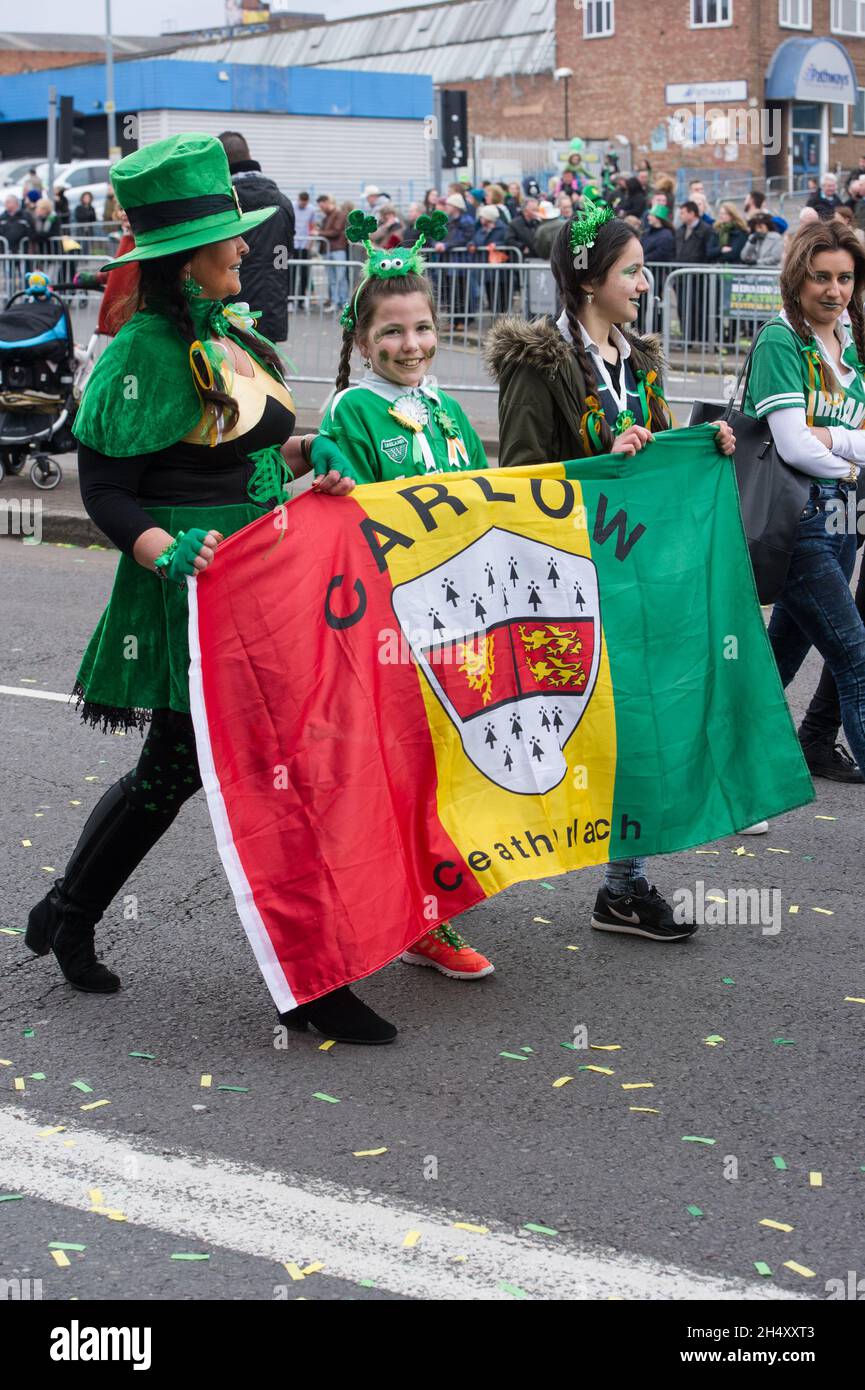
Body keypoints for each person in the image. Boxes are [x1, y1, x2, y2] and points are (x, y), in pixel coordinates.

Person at [24, 133, 395, 1046]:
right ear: (188, 255)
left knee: (176, 772)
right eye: (231, 238)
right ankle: (310, 977)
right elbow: (106, 489)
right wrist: (168, 551)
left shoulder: (227, 331)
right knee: (261, 773)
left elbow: (247, 448)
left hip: (268, 580)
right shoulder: (142, 352)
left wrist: (310, 458)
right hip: (199, 596)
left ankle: (70, 909)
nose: (248, 249)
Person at [484, 207, 737, 940]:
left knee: (637, 724)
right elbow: (521, 477)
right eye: (631, 271)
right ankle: (480, 871)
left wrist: (697, 442)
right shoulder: (541, 364)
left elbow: (651, 451)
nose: (645, 282)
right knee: (579, 729)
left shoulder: (640, 359)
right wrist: (603, 460)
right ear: (588, 281)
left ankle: (622, 886)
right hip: (568, 575)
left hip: (638, 573)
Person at [316, 207, 495, 981]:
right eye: (390, 333)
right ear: (361, 343)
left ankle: (430, 902)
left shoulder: (450, 410)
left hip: (456, 618)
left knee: (448, 769)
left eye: (421, 328)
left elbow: (491, 497)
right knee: (403, 775)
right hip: (390, 629)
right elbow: (345, 514)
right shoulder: (354, 412)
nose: (410, 345)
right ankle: (417, 917)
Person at [743, 218, 865, 784]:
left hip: (844, 516)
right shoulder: (780, 339)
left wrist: (833, 444)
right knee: (856, 657)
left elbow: (821, 442)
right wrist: (852, 456)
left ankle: (727, 761)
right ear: (798, 279)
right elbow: (792, 444)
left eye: (844, 278)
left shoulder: (853, 339)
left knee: (779, 657)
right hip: (798, 518)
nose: (834, 291)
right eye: (821, 277)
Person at [218, 131, 295, 343]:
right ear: (249, 154)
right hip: (272, 306)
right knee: (268, 373)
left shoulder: (222, 203)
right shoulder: (283, 202)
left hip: (230, 307)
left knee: (233, 373)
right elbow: (286, 253)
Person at [674, 200, 710, 345]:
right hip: (681, 277)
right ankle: (686, 338)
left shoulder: (706, 229)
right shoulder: (680, 230)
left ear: (692, 213)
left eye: (683, 213)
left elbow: (707, 252)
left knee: (698, 308)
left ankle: (700, 338)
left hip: (698, 278)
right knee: (682, 308)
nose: (680, 216)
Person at [316, 193, 349, 311]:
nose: (321, 208)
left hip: (337, 249)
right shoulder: (327, 216)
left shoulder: (340, 214)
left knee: (340, 278)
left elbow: (336, 231)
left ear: (327, 203)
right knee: (333, 279)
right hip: (330, 250)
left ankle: (343, 302)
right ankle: (336, 302)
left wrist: (319, 233)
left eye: (322, 206)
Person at [290, 190, 316, 307]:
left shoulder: (311, 209)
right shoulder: (292, 206)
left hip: (304, 244)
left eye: (305, 204)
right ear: (298, 199)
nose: (303, 205)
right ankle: (290, 299)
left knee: (304, 273)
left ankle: (301, 300)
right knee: (291, 272)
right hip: (293, 244)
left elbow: (312, 226)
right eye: (302, 203)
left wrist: (310, 243)